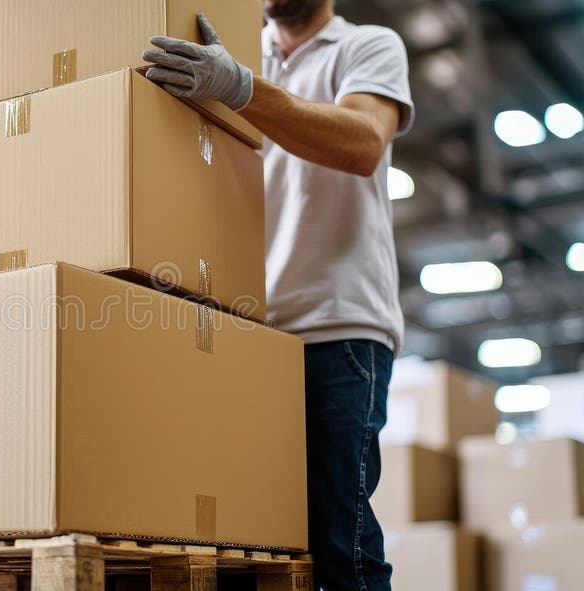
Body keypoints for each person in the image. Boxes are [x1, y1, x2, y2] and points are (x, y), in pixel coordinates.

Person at [142, 2, 414, 590]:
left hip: (337, 328)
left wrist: (241, 87)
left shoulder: (365, 46)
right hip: (246, 334)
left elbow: (363, 143)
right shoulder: (230, 49)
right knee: (246, 545)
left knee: (342, 542)